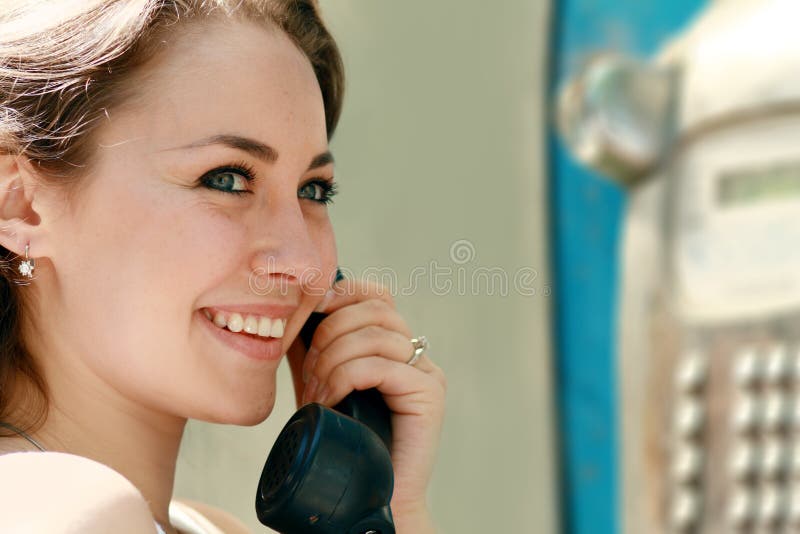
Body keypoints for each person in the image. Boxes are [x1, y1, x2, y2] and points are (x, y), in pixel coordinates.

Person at [0, 1, 447, 532]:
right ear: (20, 203)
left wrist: (384, 509)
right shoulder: (61, 512)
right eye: (226, 180)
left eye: (312, 190)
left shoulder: (205, 526)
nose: (304, 264)